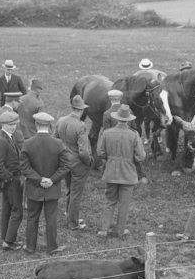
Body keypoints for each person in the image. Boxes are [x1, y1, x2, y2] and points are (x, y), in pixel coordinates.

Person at [20, 112, 72, 255]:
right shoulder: (58, 143)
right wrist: (51, 179)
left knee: (32, 217)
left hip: (34, 188)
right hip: (52, 188)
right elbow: (66, 166)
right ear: (49, 125)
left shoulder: (27, 143)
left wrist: (38, 179)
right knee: (51, 219)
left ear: (36, 124)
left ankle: (30, 247)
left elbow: (24, 167)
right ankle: (52, 247)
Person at [97, 104, 146, 237]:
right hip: (128, 174)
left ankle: (104, 229)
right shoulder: (134, 135)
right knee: (124, 204)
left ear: (117, 118)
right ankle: (120, 231)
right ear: (129, 119)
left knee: (109, 201)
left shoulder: (107, 133)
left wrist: (110, 159)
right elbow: (140, 157)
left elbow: (100, 152)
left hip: (110, 171)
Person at [53, 95, 93, 231]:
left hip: (65, 162)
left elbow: (55, 140)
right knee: (76, 193)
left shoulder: (61, 121)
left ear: (72, 107)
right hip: (78, 164)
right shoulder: (81, 126)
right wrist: (90, 161)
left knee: (70, 190)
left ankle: (70, 214)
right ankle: (73, 223)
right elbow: (83, 152)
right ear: (81, 110)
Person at [0, 111, 24, 251]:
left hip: (9, 180)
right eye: (10, 125)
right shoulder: (2, 141)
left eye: (14, 124)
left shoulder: (8, 137)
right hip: (11, 180)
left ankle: (6, 238)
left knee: (7, 210)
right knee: (17, 210)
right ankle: (9, 241)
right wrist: (11, 177)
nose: (13, 127)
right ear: (3, 125)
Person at [102, 90, 147, 184]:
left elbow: (105, 131)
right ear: (121, 98)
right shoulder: (128, 111)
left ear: (110, 99)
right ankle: (138, 175)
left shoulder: (107, 113)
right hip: (128, 140)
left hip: (113, 142)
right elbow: (134, 128)